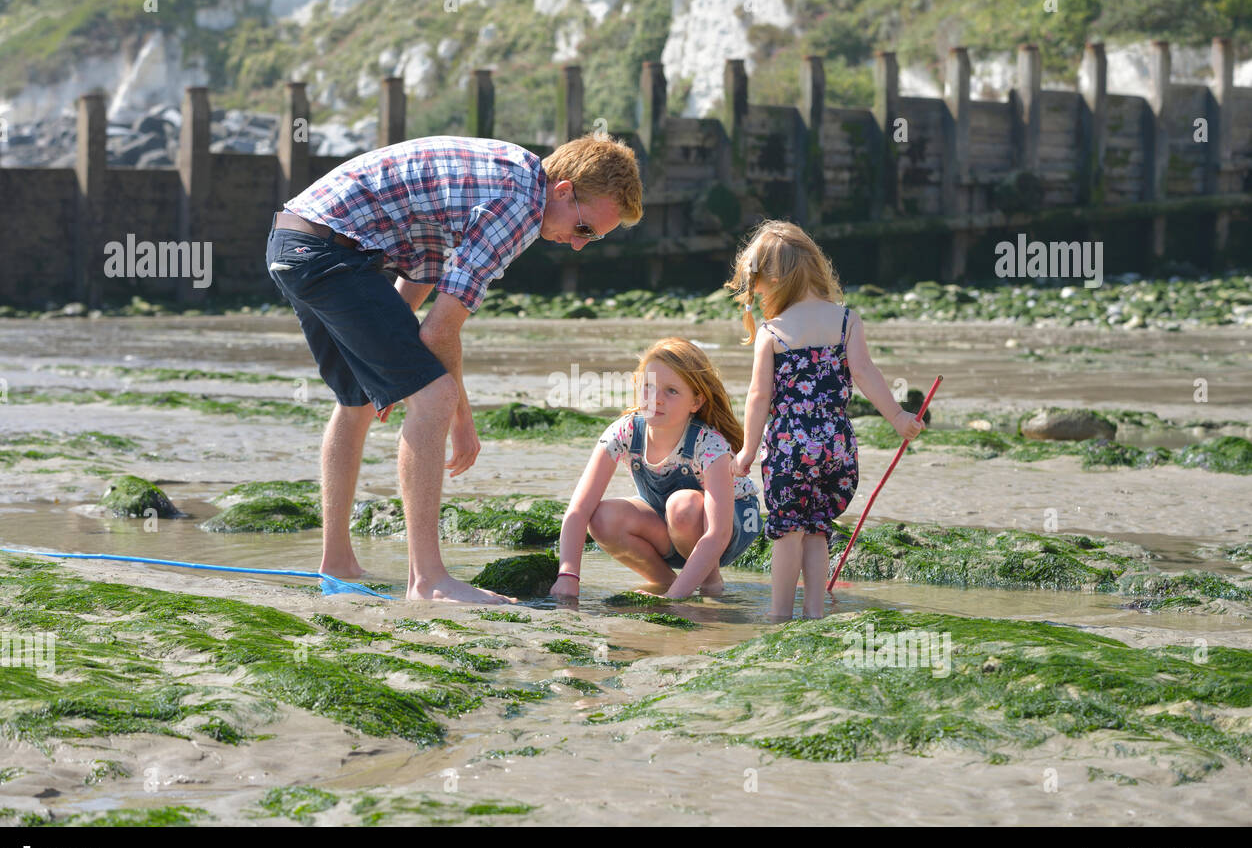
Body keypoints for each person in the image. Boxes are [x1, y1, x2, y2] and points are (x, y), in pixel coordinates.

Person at [265, 134, 643, 603]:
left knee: (358, 399)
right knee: (436, 397)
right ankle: (428, 581)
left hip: (294, 240)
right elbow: (439, 333)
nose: (580, 246)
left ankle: (337, 561)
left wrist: (391, 366)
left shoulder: (505, 174)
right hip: (329, 254)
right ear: (563, 191)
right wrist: (461, 420)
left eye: (596, 238)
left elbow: (418, 283)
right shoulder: (517, 208)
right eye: (585, 229)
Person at [727, 221, 924, 620]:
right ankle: (815, 613)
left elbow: (758, 396)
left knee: (787, 533)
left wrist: (748, 449)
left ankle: (780, 613)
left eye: (759, 285)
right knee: (817, 529)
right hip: (836, 446)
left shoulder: (773, 332)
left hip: (789, 448)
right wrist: (899, 416)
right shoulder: (845, 320)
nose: (758, 294)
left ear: (776, 279)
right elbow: (866, 373)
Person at [551, 338, 762, 602]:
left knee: (682, 505)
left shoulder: (709, 444)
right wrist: (568, 576)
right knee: (602, 517)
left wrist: (674, 601)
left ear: (696, 402)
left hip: (730, 527)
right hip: (664, 523)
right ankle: (665, 582)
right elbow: (578, 509)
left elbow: (717, 534)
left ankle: (710, 583)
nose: (656, 399)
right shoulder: (624, 432)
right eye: (648, 387)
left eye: (671, 391)